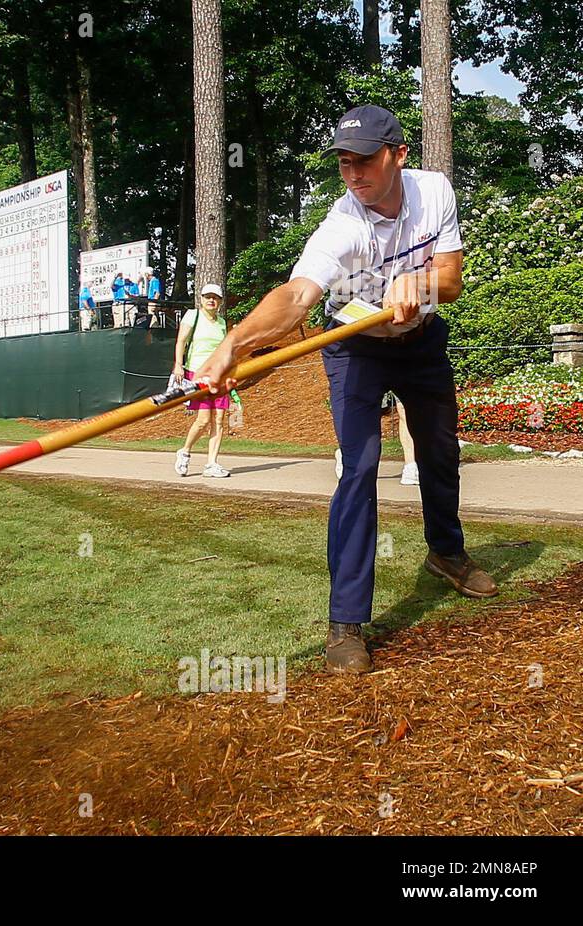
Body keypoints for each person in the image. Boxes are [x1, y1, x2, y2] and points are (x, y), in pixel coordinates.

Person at [192, 104, 498, 675]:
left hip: (421, 340)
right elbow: (297, 298)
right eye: (344, 162)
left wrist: (422, 282)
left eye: (365, 161)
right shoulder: (341, 225)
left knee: (440, 452)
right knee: (359, 466)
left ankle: (447, 553)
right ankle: (346, 622)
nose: (354, 173)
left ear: (398, 155)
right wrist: (233, 345)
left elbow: (451, 279)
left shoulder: (434, 192)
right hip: (354, 345)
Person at [172, 284, 231, 478]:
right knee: (203, 419)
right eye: (208, 297)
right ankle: (185, 451)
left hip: (219, 375)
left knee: (220, 419)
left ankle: (212, 463)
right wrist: (178, 365)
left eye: (215, 297)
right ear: (201, 299)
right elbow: (181, 341)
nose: (211, 300)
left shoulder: (222, 322)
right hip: (198, 374)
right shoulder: (193, 316)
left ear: (220, 301)